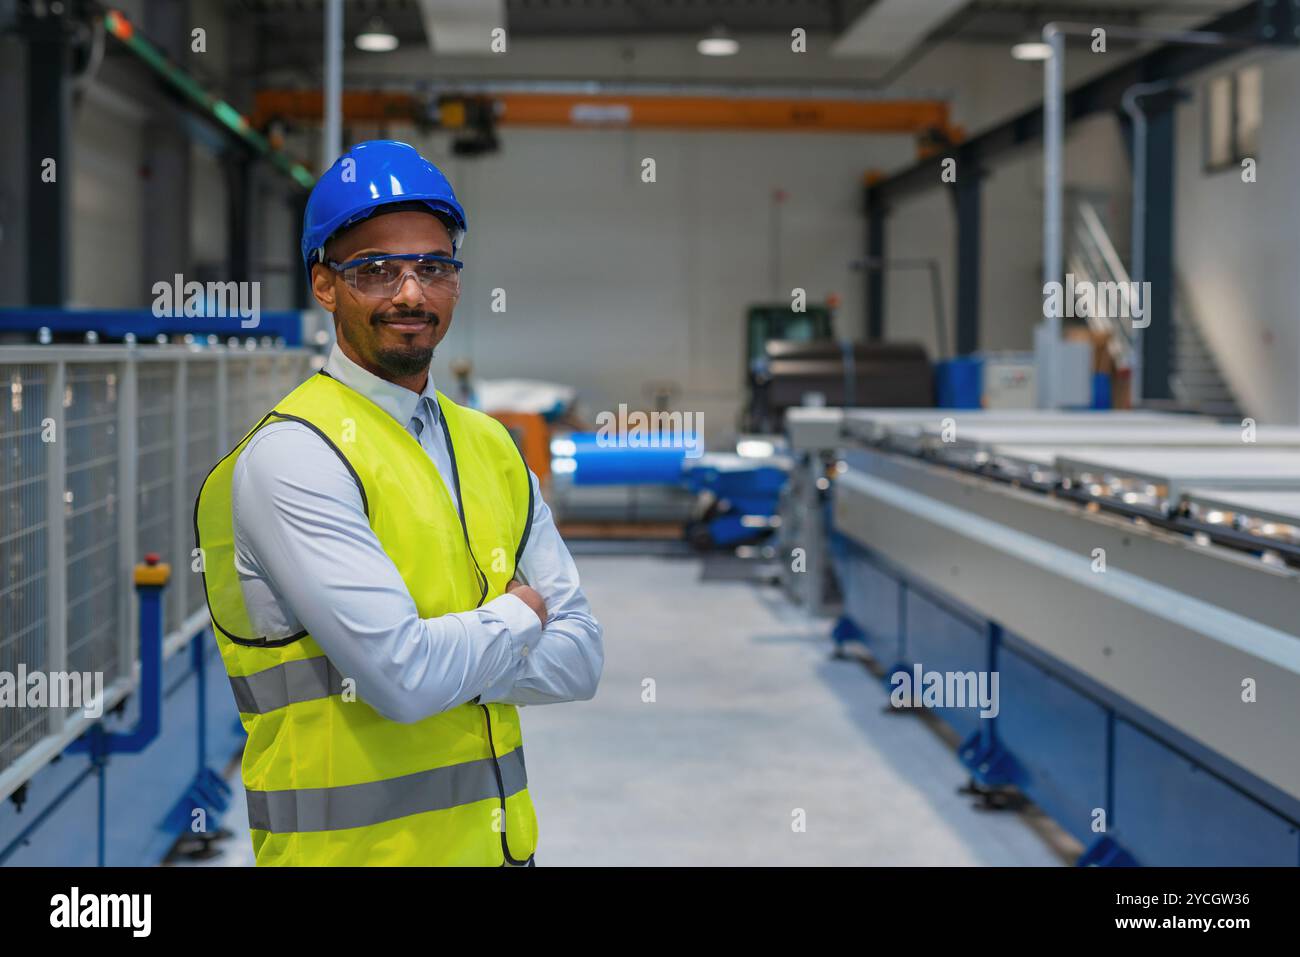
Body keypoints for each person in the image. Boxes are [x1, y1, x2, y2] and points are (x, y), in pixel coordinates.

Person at [195, 140, 603, 866]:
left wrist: (445, 654)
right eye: (376, 270)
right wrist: (518, 615)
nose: (410, 293)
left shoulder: (493, 447)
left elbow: (581, 660)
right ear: (324, 285)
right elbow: (403, 681)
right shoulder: (296, 456)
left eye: (434, 267)